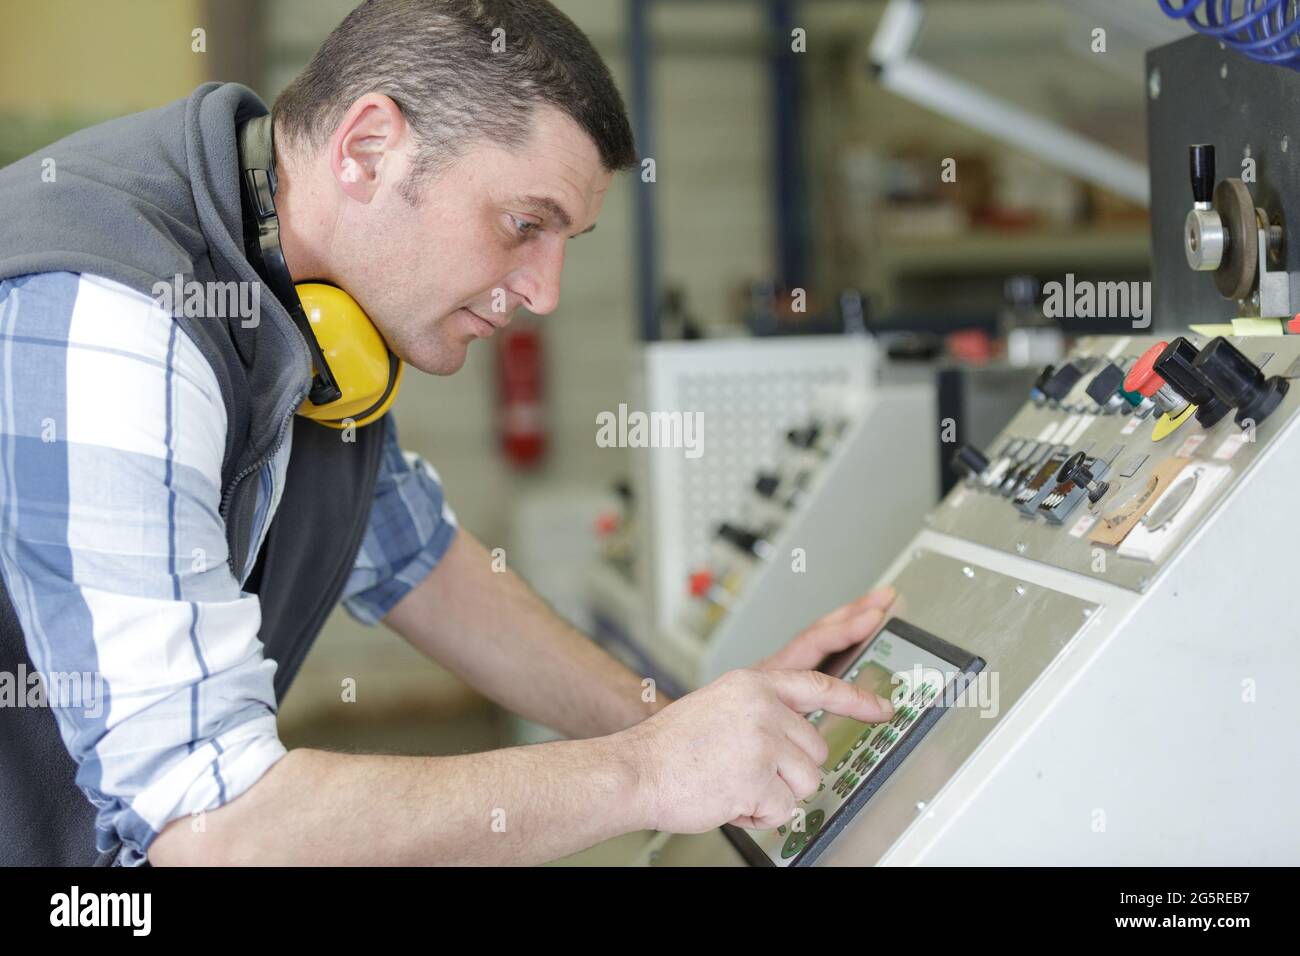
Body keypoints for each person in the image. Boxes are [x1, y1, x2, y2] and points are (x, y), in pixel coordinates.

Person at [0, 0, 895, 866]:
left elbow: (414, 558)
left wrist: (692, 725)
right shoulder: (122, 317)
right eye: (523, 225)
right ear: (370, 149)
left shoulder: (305, 313)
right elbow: (218, 828)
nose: (545, 291)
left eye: (565, 240)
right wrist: (651, 772)